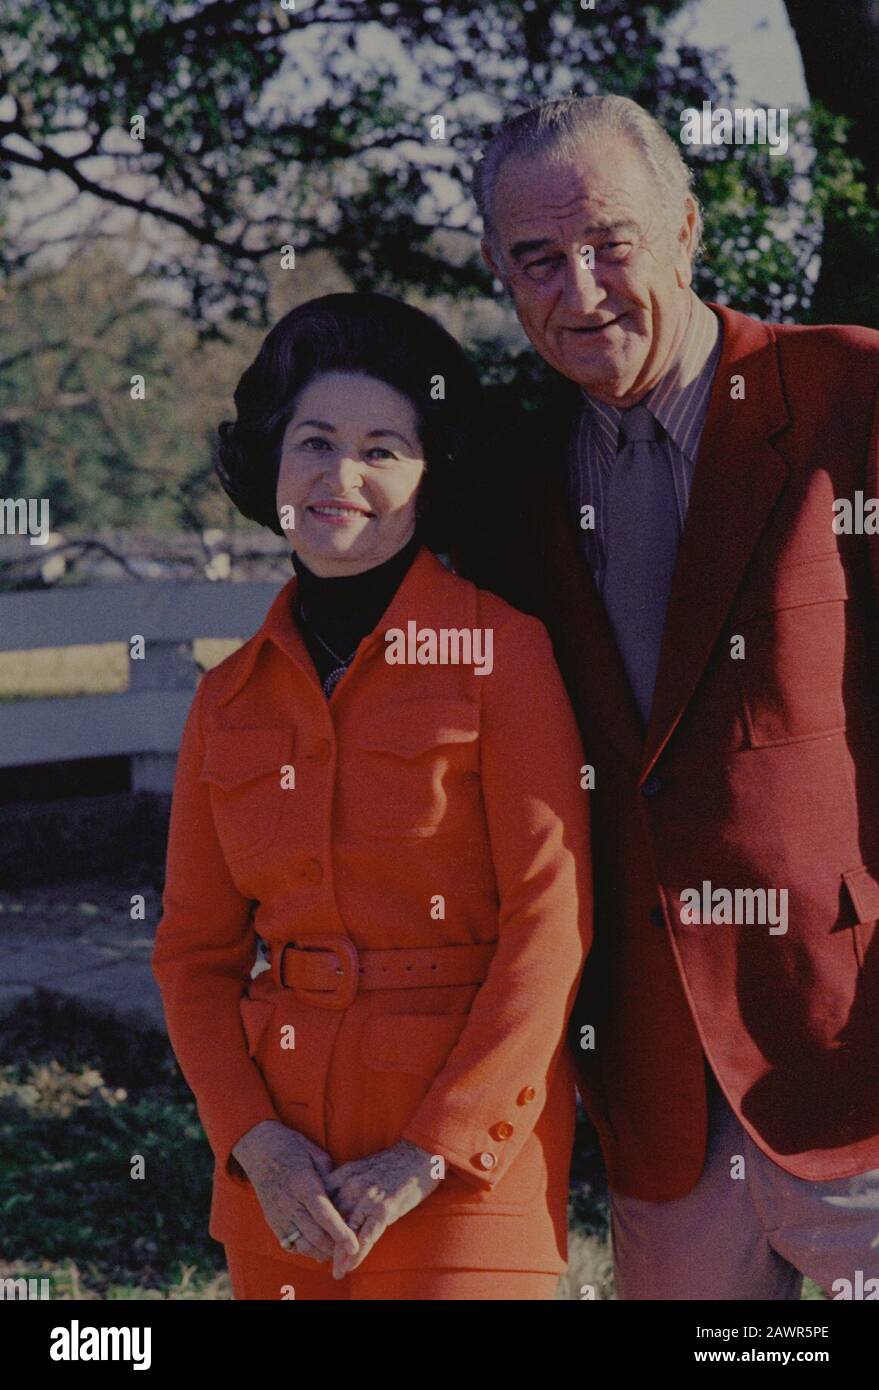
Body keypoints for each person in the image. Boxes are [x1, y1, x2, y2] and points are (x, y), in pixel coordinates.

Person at [456, 93, 879, 1301]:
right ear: (499, 272)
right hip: (657, 1091)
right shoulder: (509, 491)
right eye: (539, 259)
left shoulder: (850, 396)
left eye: (611, 244)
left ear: (687, 230)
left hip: (852, 1054)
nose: (581, 289)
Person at [151, 291, 592, 1301]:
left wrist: (430, 1151)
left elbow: (551, 928)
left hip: (465, 1178)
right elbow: (192, 955)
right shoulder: (227, 698)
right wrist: (253, 1141)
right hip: (282, 1181)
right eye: (313, 442)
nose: (339, 476)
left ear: (432, 479)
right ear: (272, 463)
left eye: (381, 450)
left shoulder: (502, 654)